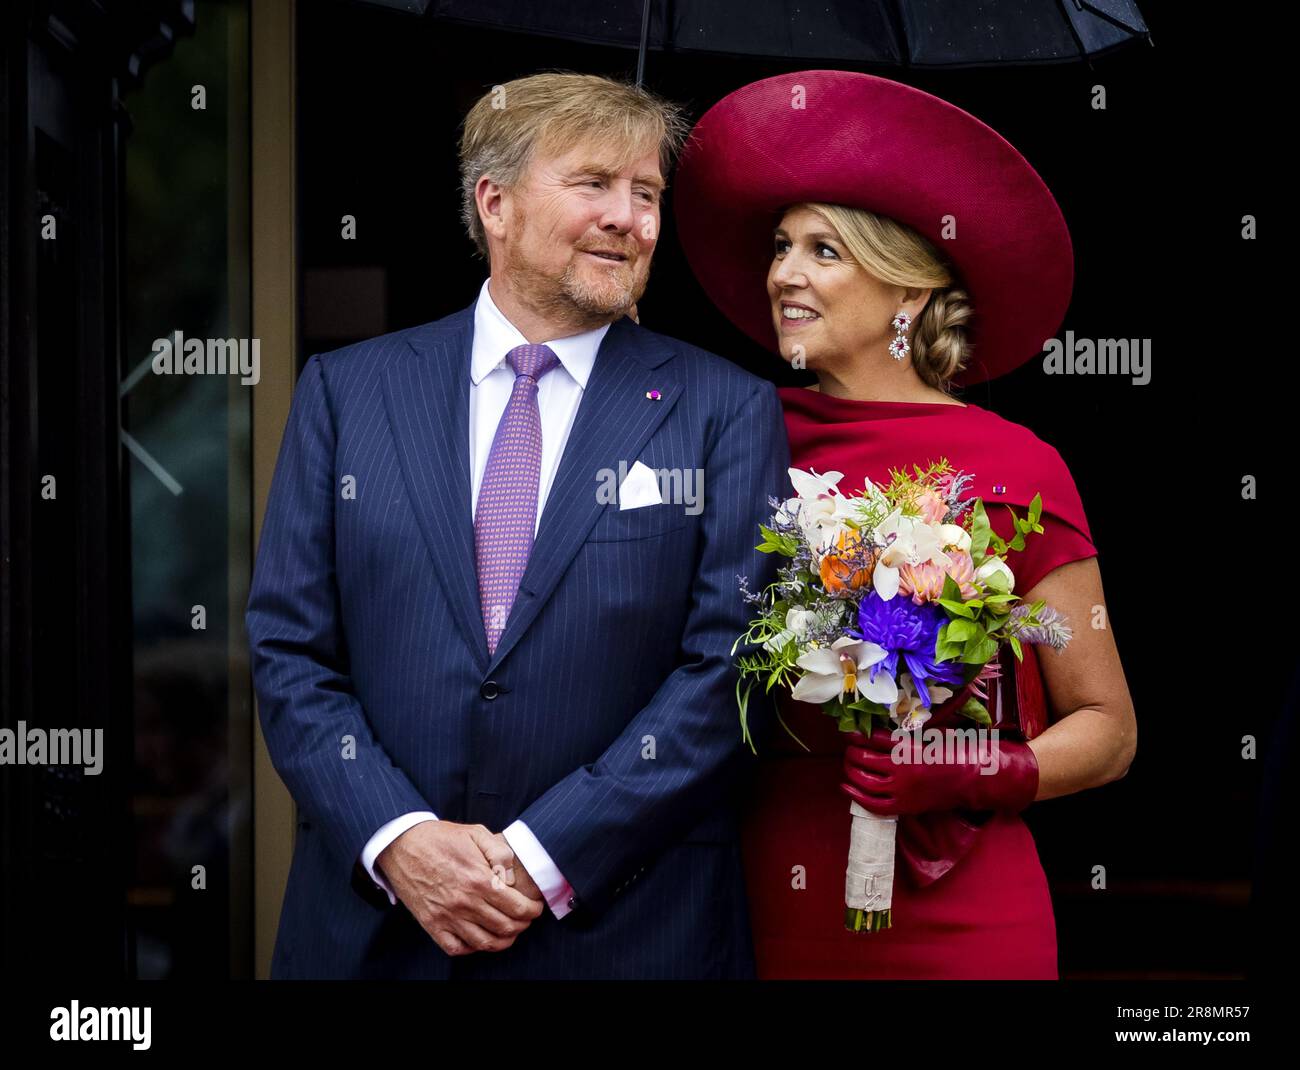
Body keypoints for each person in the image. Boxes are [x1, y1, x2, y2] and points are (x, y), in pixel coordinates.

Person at [246, 72, 790, 979]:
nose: (633, 219)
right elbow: (289, 650)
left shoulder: (724, 410)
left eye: (648, 193)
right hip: (376, 939)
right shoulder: (348, 393)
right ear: (493, 203)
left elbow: (732, 671)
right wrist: (400, 839)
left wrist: (541, 856)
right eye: (595, 185)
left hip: (628, 934)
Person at [673, 70, 1136, 979]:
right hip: (768, 889)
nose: (783, 274)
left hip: (965, 912)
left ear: (908, 296)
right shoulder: (735, 432)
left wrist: (973, 771)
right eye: (779, 246)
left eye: (823, 251)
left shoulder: (1018, 465)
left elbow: (1109, 727)